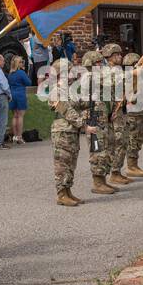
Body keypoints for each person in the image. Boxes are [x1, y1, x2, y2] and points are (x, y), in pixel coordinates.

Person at [49, 57, 95, 206]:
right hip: (62, 132)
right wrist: (84, 125)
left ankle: (68, 190)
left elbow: (80, 103)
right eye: (69, 71)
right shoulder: (56, 90)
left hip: (71, 131)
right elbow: (67, 111)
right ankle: (61, 194)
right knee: (62, 163)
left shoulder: (70, 89)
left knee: (71, 162)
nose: (72, 74)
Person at [82, 50, 117, 193]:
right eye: (97, 63)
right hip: (94, 118)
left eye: (100, 62)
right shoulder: (90, 76)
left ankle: (102, 180)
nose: (100, 65)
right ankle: (97, 183)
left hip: (102, 117)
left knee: (105, 148)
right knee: (97, 150)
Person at [101, 43, 133, 186]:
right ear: (109, 57)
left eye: (120, 54)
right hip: (113, 112)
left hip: (120, 111)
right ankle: (113, 172)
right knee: (117, 141)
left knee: (123, 140)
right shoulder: (107, 71)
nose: (120, 57)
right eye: (117, 55)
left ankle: (117, 171)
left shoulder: (118, 70)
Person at [122, 51, 143, 177]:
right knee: (132, 140)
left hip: (140, 114)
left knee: (138, 140)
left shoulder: (137, 77)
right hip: (132, 115)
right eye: (135, 63)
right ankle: (131, 166)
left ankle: (134, 164)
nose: (140, 66)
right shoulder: (127, 77)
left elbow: (142, 91)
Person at [8, 52, 31, 144]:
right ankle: (19, 136)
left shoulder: (10, 74)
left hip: (12, 94)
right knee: (20, 116)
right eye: (21, 62)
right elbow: (28, 82)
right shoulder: (21, 72)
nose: (23, 63)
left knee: (14, 116)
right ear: (18, 63)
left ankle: (14, 136)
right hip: (20, 94)